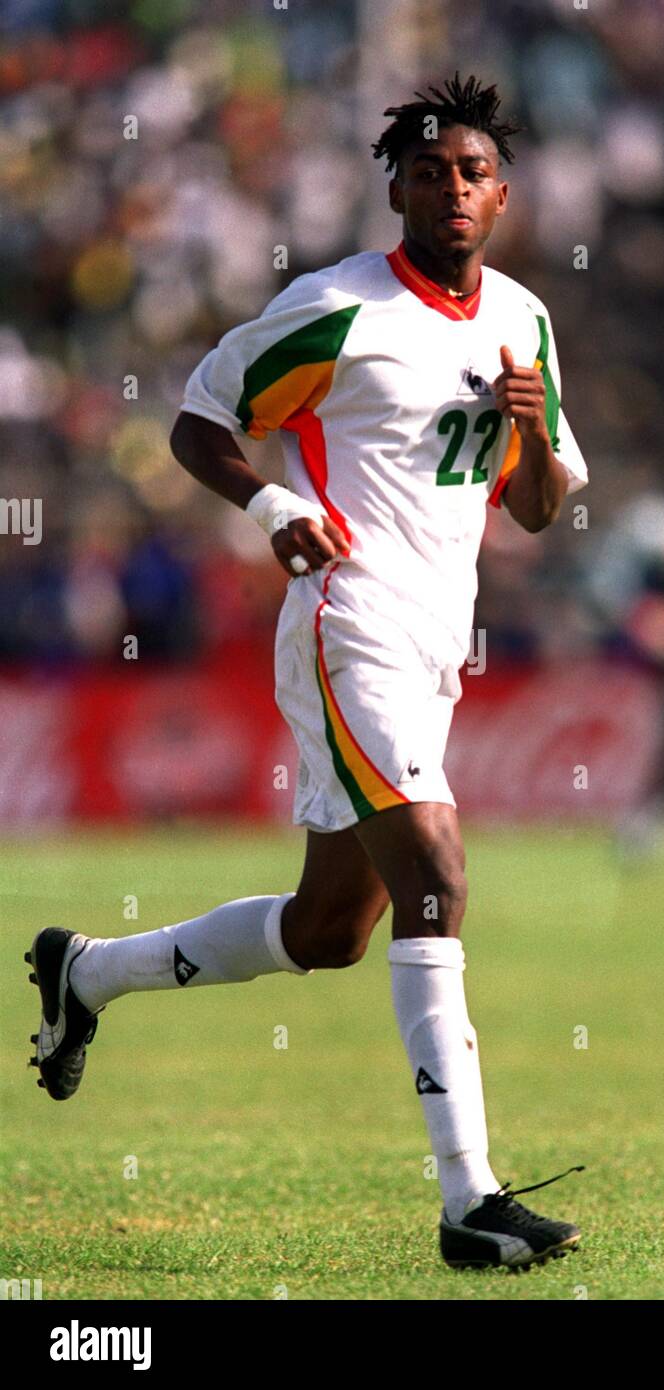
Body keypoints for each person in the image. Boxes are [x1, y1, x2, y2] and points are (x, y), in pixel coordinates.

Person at [26, 74, 589, 1271]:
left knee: (332, 929)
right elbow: (198, 417)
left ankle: (87, 973)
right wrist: (274, 497)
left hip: (436, 644)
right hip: (347, 620)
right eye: (429, 169)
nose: (452, 187)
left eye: (473, 171)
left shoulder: (524, 324)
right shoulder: (336, 307)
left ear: (504, 194)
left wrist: (534, 426)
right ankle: (470, 1200)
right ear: (395, 187)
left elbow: (537, 512)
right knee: (434, 868)